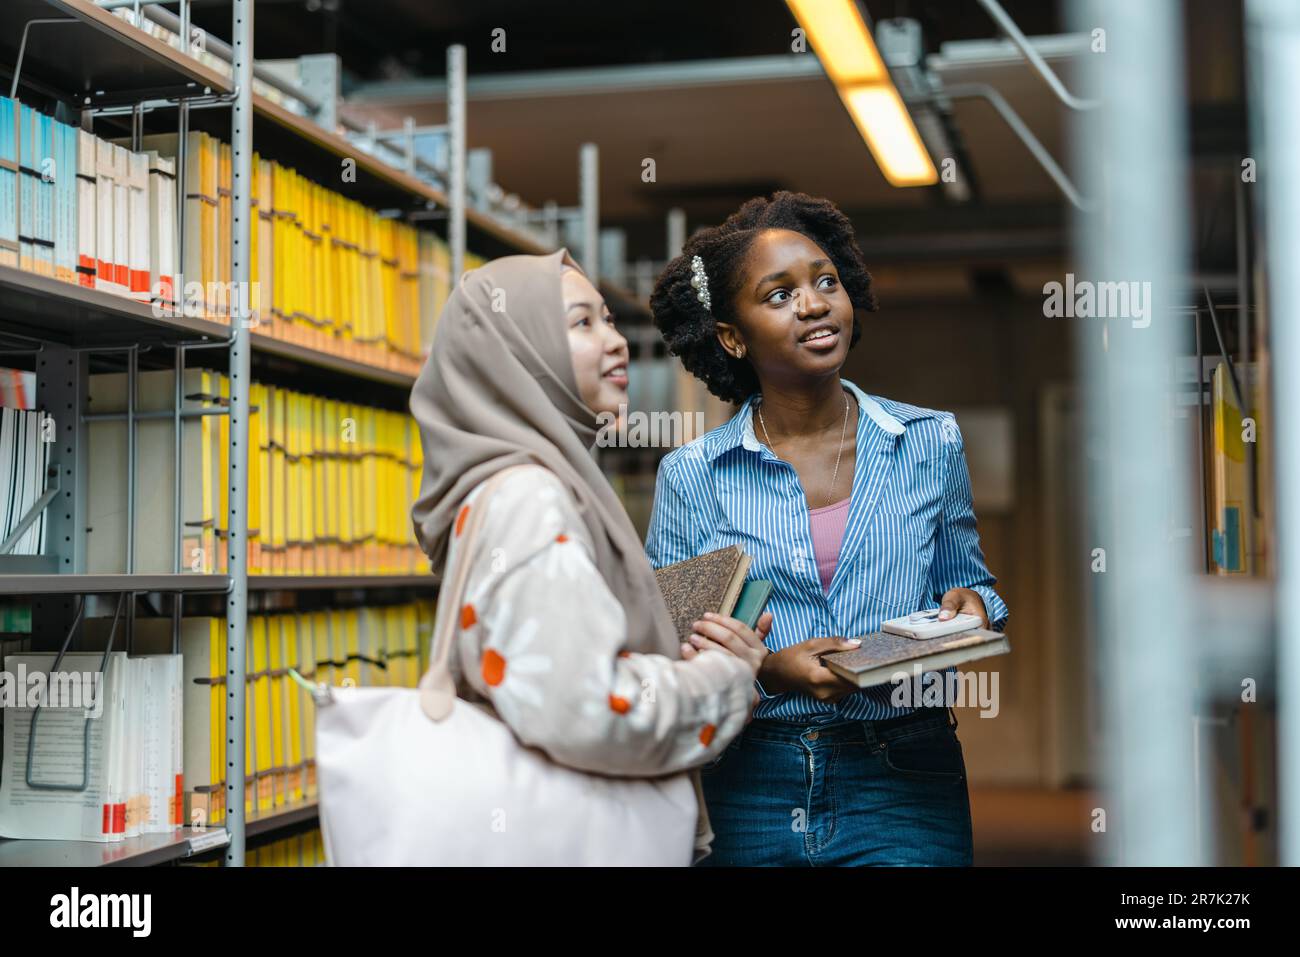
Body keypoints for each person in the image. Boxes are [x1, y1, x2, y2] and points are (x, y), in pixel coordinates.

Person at [646, 191, 1009, 866]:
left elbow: (970, 582)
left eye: (825, 281)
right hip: (751, 779)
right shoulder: (692, 474)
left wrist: (976, 605)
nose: (813, 303)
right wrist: (769, 672)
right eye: (778, 295)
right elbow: (672, 651)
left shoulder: (928, 441)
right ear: (733, 335)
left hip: (905, 771)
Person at [408, 247, 772, 862]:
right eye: (581, 324)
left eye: (609, 318)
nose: (617, 342)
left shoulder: (505, 484)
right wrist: (725, 678)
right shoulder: (530, 496)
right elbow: (589, 712)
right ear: (518, 354)